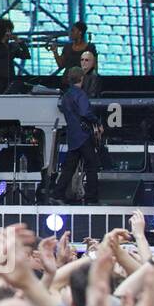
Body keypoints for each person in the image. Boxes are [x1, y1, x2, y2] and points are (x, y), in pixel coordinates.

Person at [50, 67, 100, 205]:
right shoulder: (81, 94)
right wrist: (97, 121)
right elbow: (85, 112)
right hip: (84, 136)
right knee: (91, 166)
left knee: (69, 167)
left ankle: (57, 194)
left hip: (73, 136)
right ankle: (91, 198)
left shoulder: (66, 96)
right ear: (82, 79)